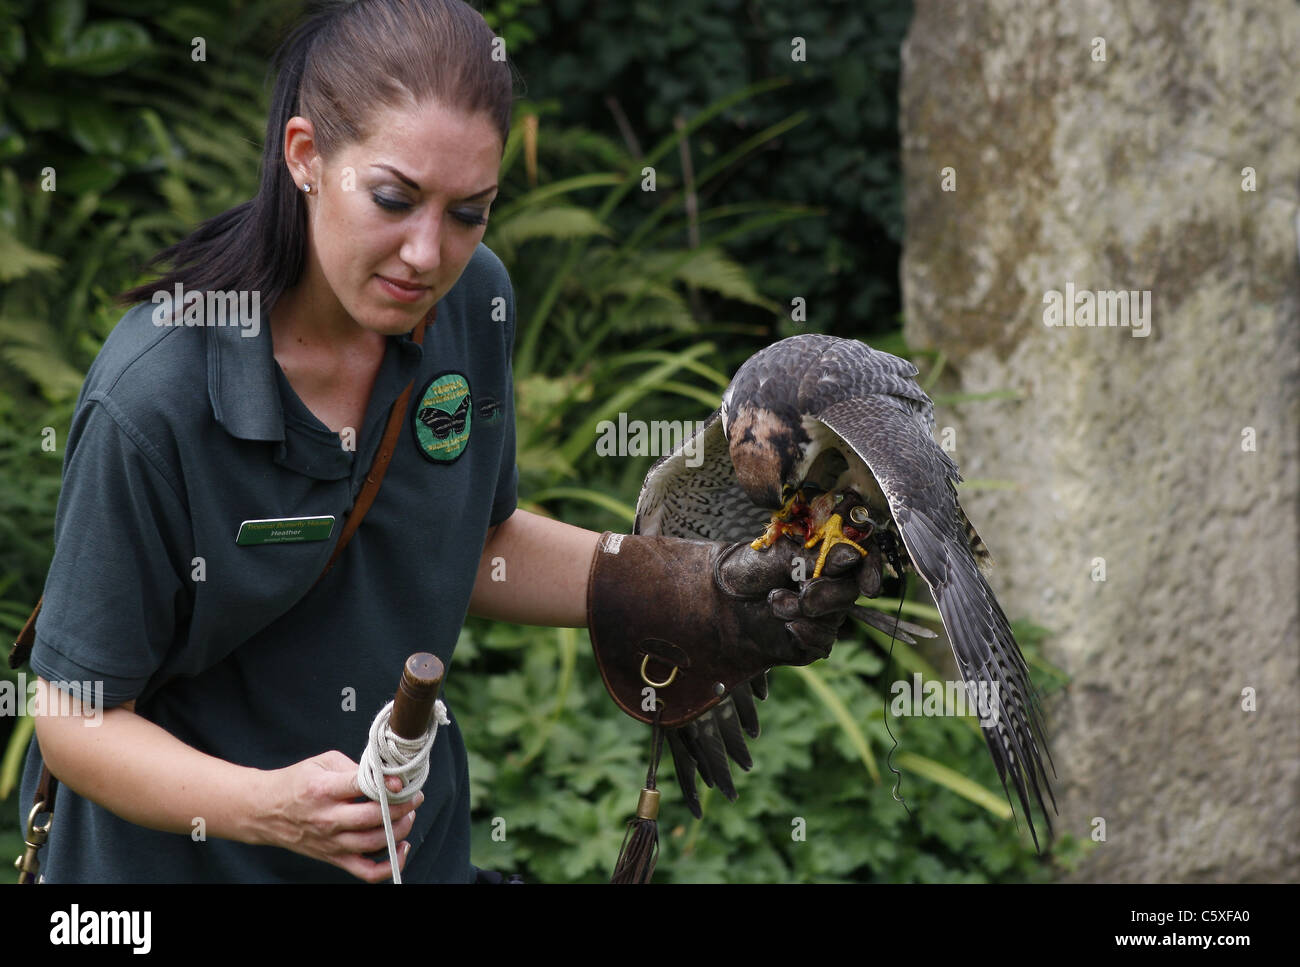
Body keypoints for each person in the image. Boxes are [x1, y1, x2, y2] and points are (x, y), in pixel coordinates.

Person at [19, 0, 864, 884]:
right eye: (394, 198)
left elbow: (477, 545)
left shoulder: (472, 305)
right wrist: (264, 809)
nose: (428, 253)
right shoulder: (153, 395)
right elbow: (74, 720)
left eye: (471, 212)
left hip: (414, 858)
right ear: (306, 157)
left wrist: (696, 585)